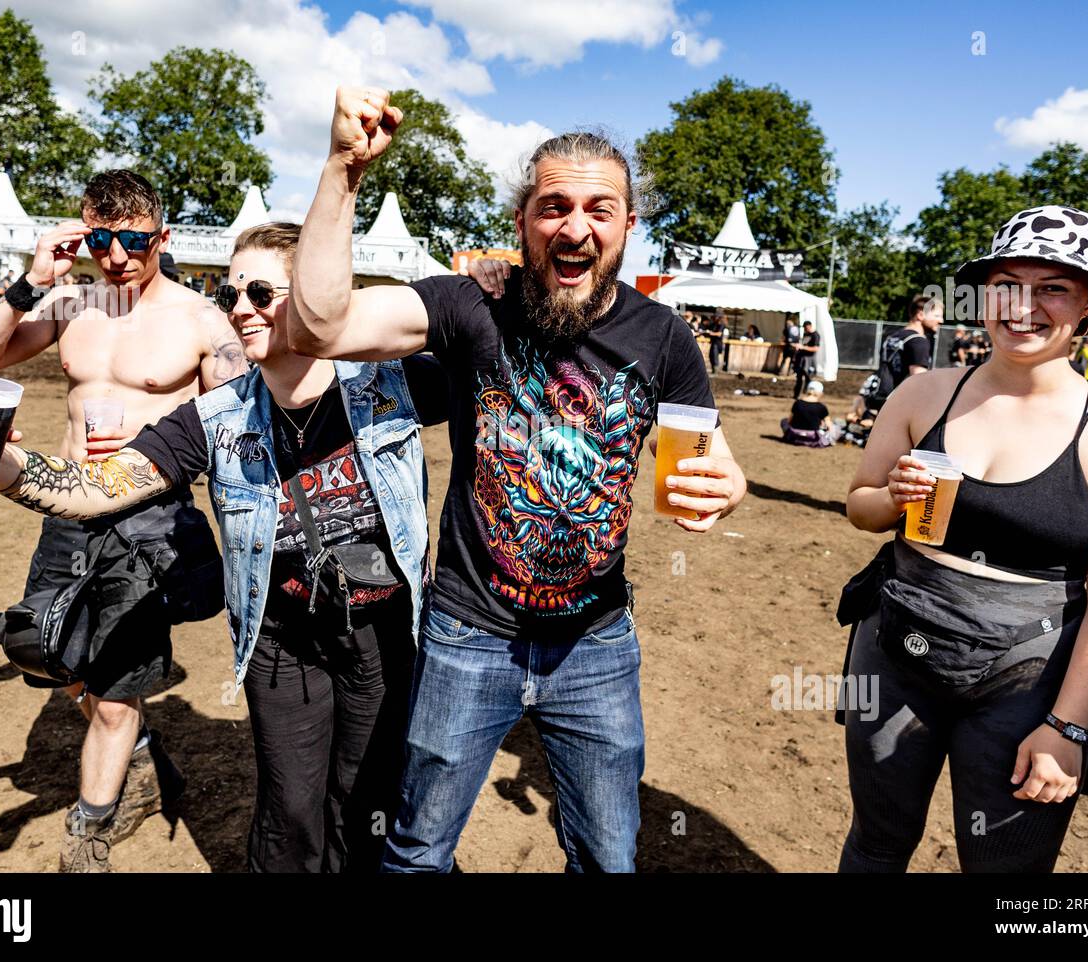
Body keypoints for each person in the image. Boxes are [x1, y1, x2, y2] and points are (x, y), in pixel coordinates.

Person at [0, 221, 447, 873]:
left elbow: (510, 390)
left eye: (261, 292)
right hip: (282, 644)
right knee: (289, 817)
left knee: (370, 805)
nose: (239, 307)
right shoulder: (216, 415)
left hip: (383, 640)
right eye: (233, 292)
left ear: (319, 298)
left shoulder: (396, 382)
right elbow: (96, 486)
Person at [286, 86, 746, 872]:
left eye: (600, 210)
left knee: (608, 858)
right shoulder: (472, 308)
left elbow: (710, 451)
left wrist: (726, 482)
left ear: (628, 228)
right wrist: (342, 171)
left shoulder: (663, 335)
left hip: (596, 642)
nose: (576, 227)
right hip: (469, 636)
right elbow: (321, 324)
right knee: (417, 851)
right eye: (553, 206)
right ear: (523, 223)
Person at [842, 204, 1088, 872]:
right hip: (895, 648)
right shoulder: (923, 395)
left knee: (1008, 872)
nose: (1023, 305)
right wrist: (892, 500)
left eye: (1052, 286)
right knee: (876, 843)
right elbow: (860, 507)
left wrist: (1068, 727)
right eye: (1007, 283)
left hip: (1031, 683)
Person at [0, 169, 249, 872]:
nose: (116, 257)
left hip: (146, 520)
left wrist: (163, 451)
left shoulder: (201, 320)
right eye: (101, 239)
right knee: (53, 658)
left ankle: (90, 828)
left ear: (162, 237)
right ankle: (139, 753)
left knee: (113, 695)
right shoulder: (72, 301)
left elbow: (239, 434)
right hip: (66, 508)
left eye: (134, 241)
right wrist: (30, 282)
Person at [864, 294, 941, 416]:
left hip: (878, 396)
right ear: (920, 315)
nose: (941, 320)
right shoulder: (918, 341)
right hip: (896, 404)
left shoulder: (893, 337)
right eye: (937, 316)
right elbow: (919, 380)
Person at [781, 379, 840, 447]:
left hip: (795, 435)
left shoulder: (797, 403)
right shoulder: (821, 407)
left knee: (784, 421)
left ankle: (789, 437)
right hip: (813, 438)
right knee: (835, 427)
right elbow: (829, 426)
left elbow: (789, 421)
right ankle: (826, 442)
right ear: (820, 393)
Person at [792, 320, 820, 399]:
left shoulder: (815, 335)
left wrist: (803, 347)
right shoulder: (805, 334)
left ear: (810, 326)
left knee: (809, 378)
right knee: (799, 378)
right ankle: (796, 395)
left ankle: (807, 395)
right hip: (801, 359)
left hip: (809, 360)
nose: (804, 329)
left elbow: (816, 348)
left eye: (806, 327)